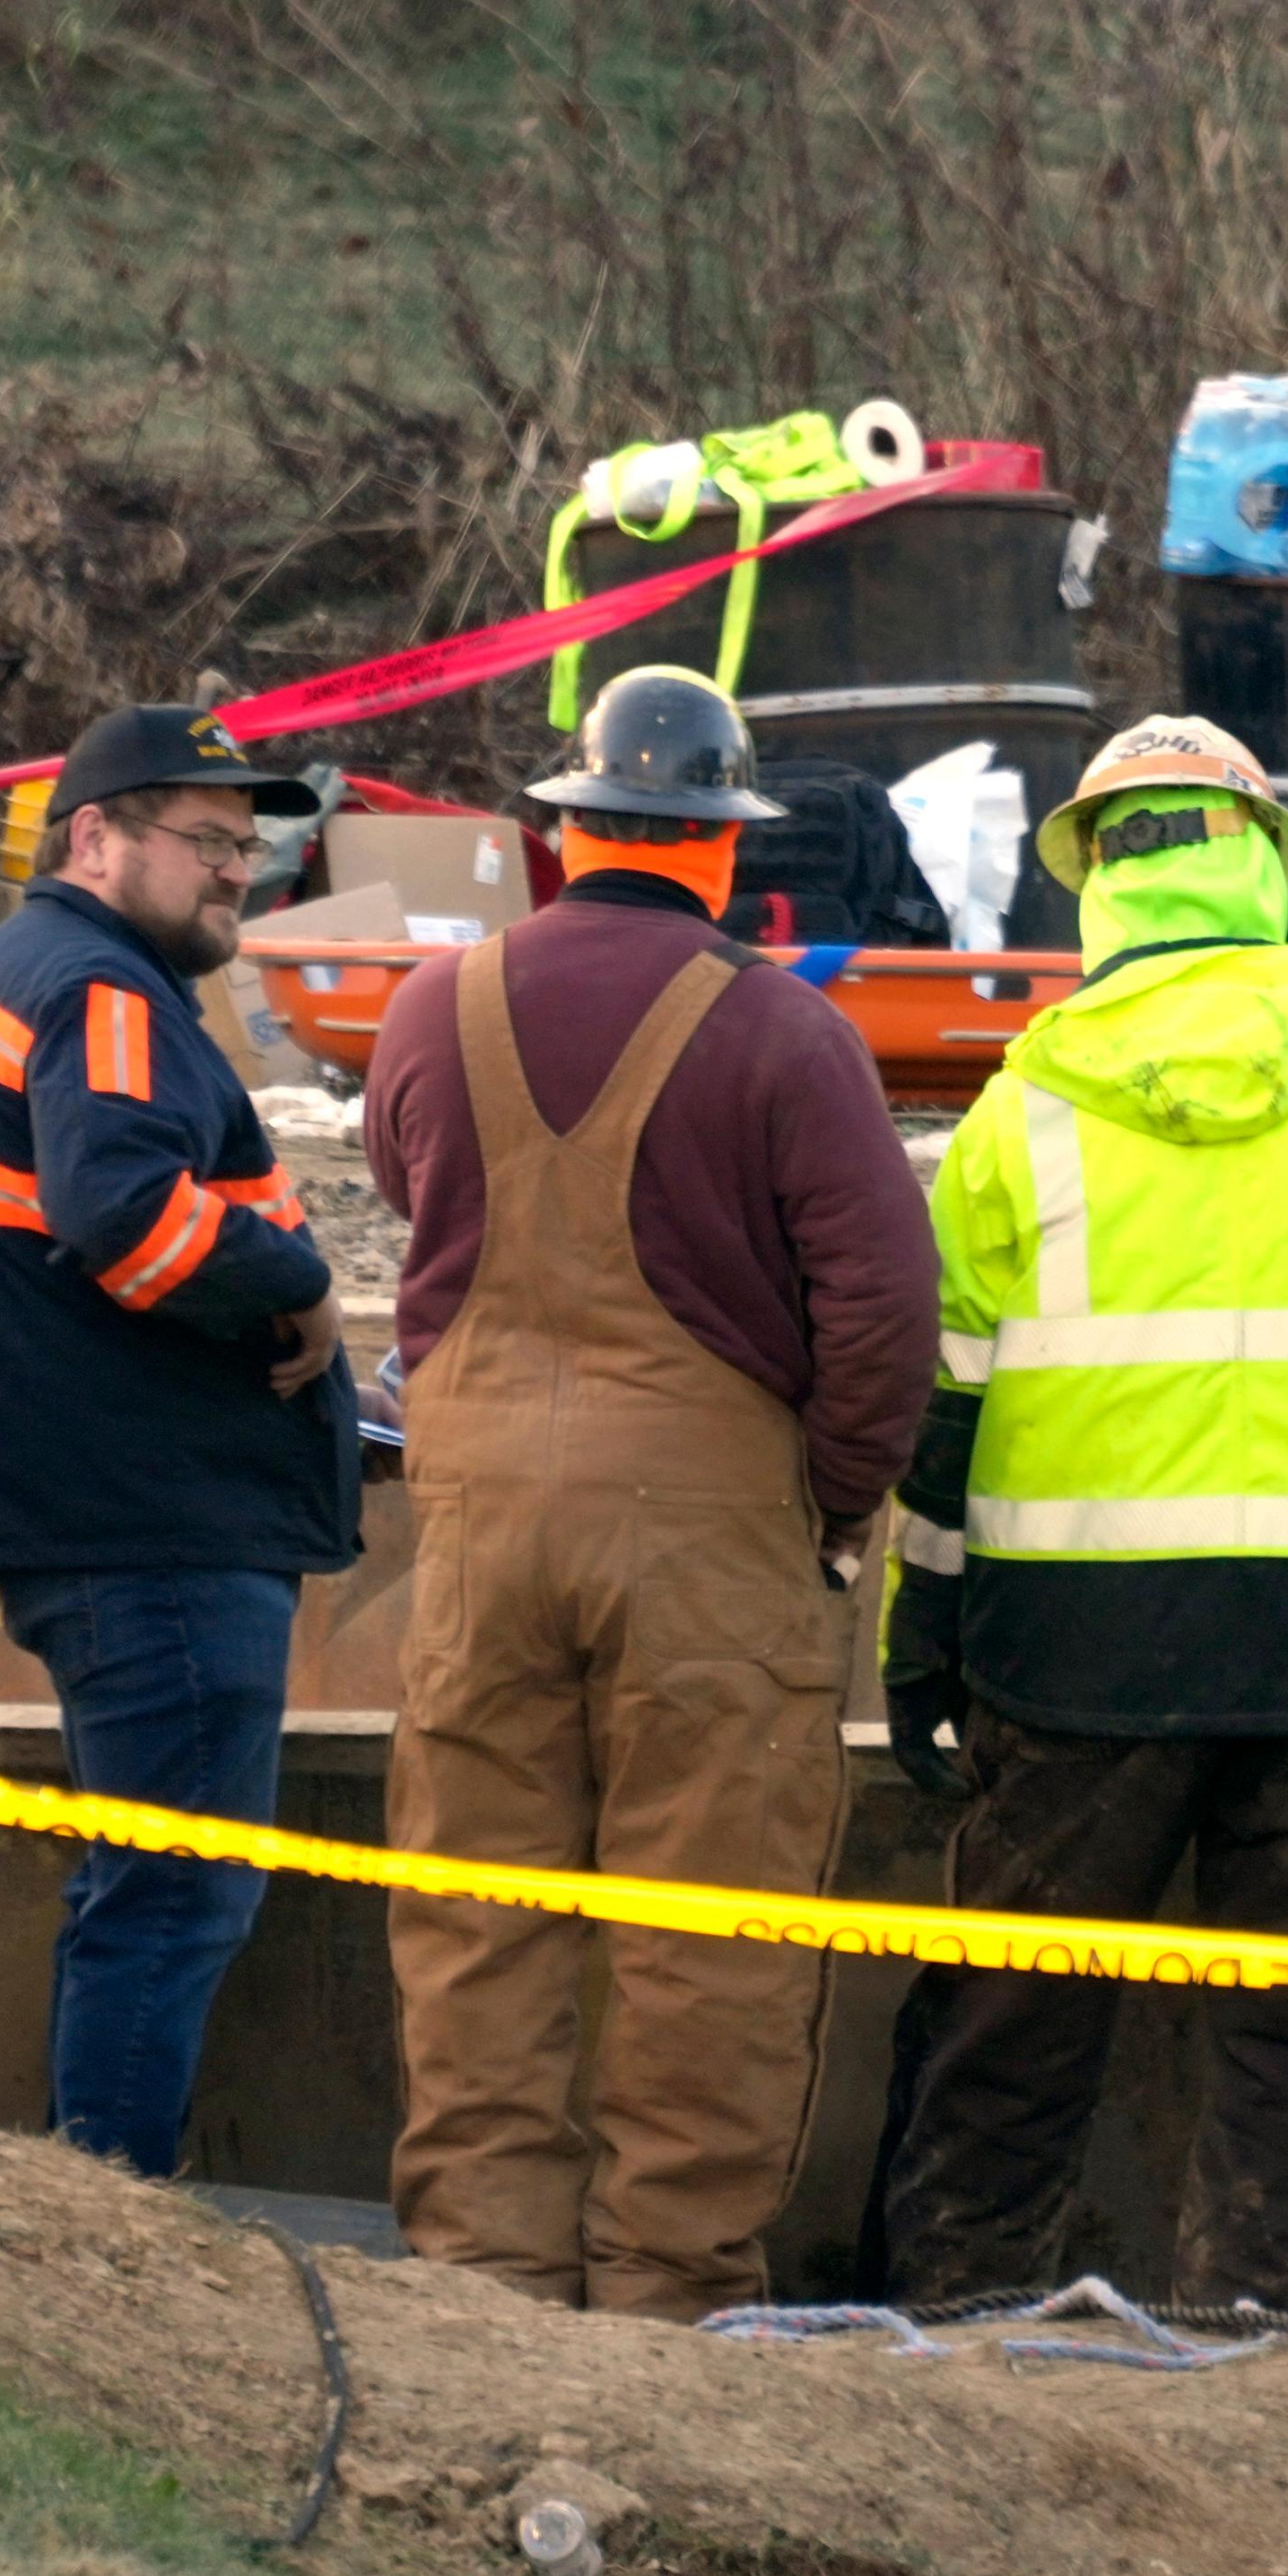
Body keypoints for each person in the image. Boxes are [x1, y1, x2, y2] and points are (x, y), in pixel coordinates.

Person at [873, 716, 1288, 2321]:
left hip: (1072, 1653)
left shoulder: (1017, 1116)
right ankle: (1272, 2386)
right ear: (1269, 869)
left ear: (1093, 877)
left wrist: (924, 1640)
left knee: (1009, 2032)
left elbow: (939, 1431)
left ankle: (957, 2366)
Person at [363, 665, 940, 2319]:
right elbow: (883, 1310)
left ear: (562, 833)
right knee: (710, 1942)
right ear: (720, 846)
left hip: (476, 1530)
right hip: (706, 1540)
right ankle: (670, 2303)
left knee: (480, 1917)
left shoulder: (429, 1008)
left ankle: (482, 2289)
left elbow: (422, 1208)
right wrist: (826, 1499)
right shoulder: (779, 1026)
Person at [0, 704, 362, 2178]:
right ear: (89, 835)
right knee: (175, 1893)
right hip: (157, 1525)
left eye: (248, 845)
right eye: (205, 840)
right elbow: (129, 1218)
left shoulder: (23, 971)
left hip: (94, 1510)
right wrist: (295, 1280)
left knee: (142, 1886)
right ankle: (115, 2217)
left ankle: (96, 2206)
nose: (236, 871)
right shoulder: (104, 989)